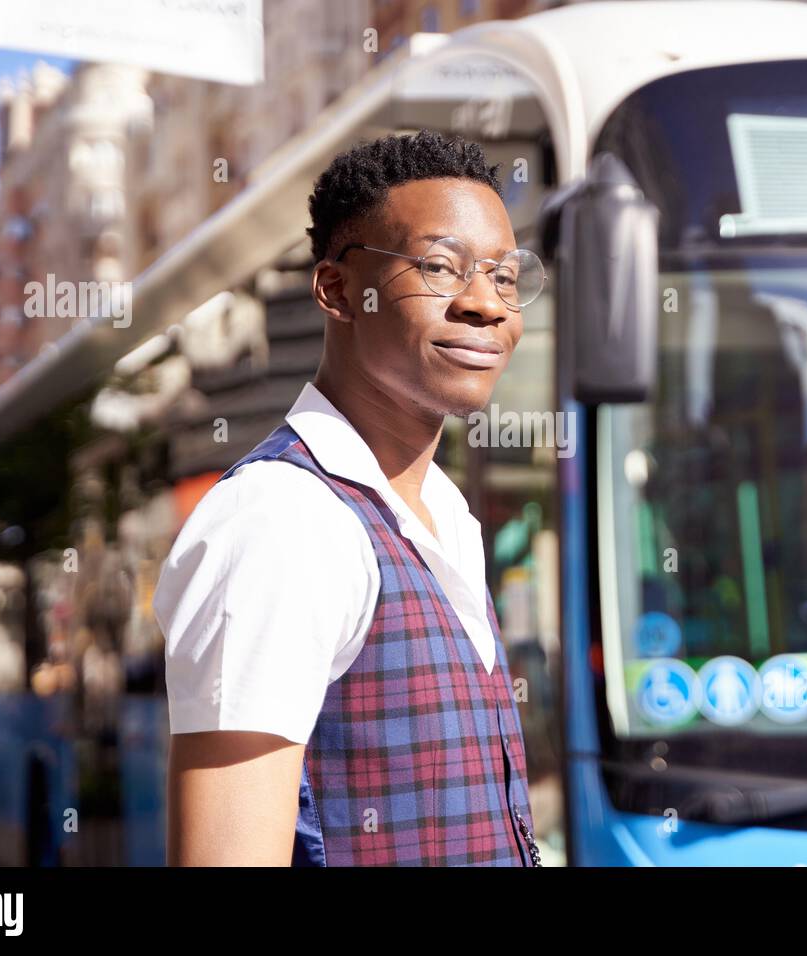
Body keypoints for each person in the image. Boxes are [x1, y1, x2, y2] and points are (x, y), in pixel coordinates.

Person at [155, 131, 545, 866]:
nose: (486, 305)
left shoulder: (447, 514)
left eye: (505, 276)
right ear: (337, 291)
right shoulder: (282, 522)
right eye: (439, 267)